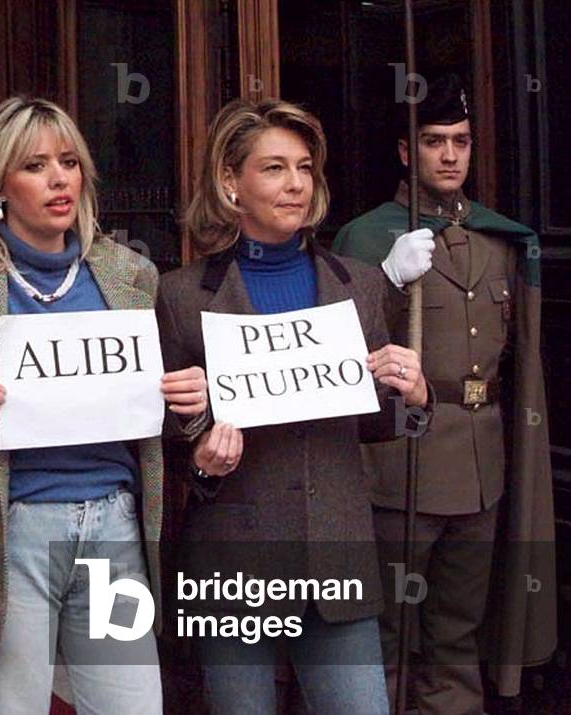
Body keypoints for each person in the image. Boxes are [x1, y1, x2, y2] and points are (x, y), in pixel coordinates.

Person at [0, 95, 208, 714]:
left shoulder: (132, 276)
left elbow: (150, 406)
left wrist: (189, 404)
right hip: (7, 534)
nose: (59, 178)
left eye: (68, 162)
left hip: (114, 528)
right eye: (35, 165)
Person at [156, 98, 431, 715]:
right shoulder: (180, 297)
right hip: (233, 566)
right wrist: (202, 459)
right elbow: (163, 448)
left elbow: (376, 422)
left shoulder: (358, 285)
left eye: (305, 167)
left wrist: (413, 395)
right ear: (232, 182)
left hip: (338, 557)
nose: (296, 184)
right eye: (274, 168)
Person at [333, 73, 556, 712]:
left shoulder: (497, 240)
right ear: (408, 152)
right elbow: (345, 349)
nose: (451, 155)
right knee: (388, 631)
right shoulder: (367, 238)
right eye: (435, 141)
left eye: (460, 141)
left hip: (481, 459)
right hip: (402, 460)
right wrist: (390, 281)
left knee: (458, 631)